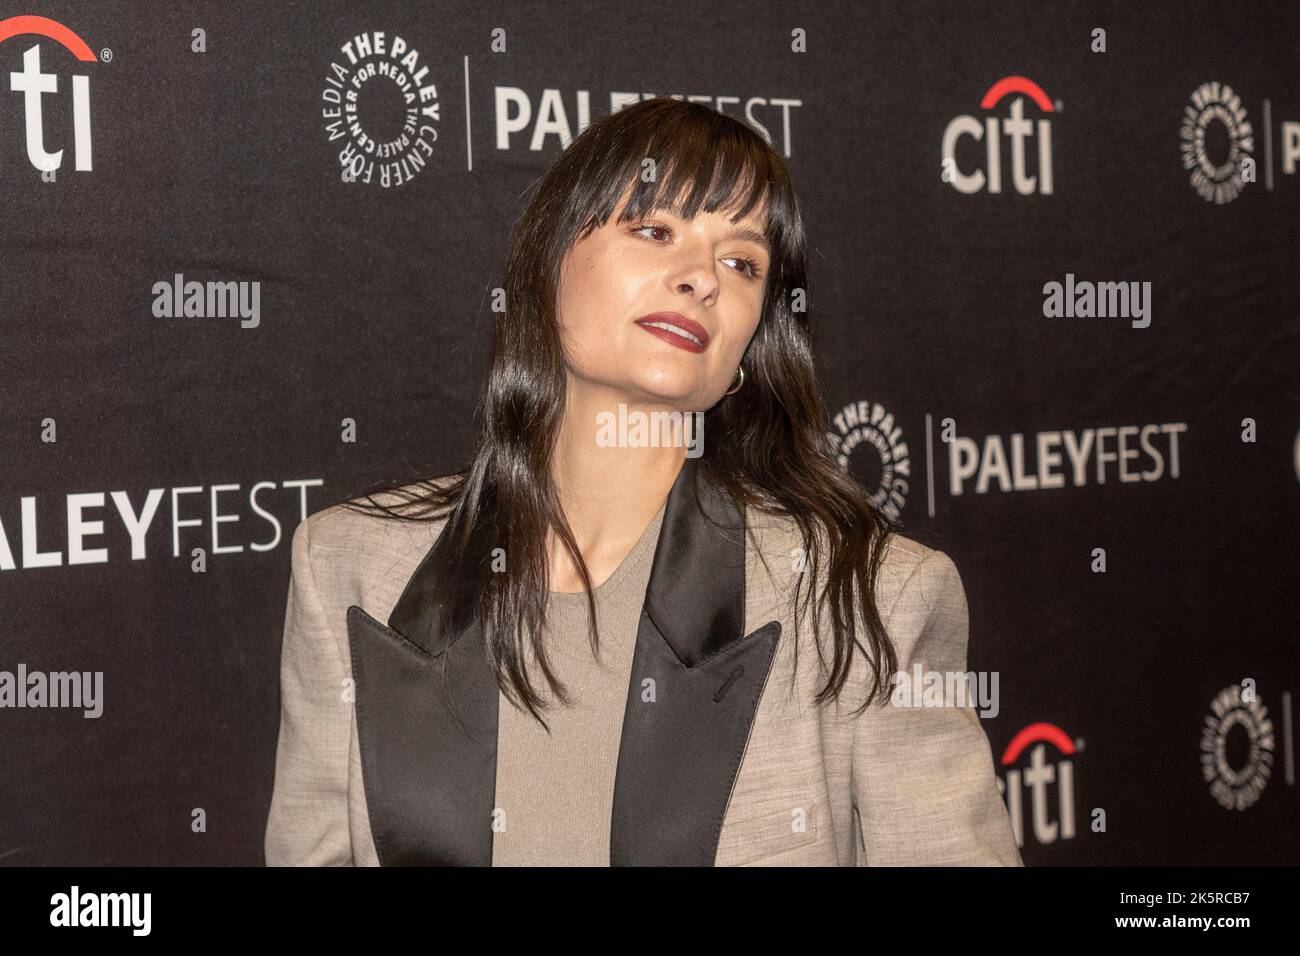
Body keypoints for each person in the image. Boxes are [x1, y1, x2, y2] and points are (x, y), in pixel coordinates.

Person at [263, 96, 1023, 867]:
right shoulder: (347, 566)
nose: (700, 278)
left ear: (751, 347)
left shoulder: (867, 601)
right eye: (655, 230)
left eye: (742, 263)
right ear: (548, 263)